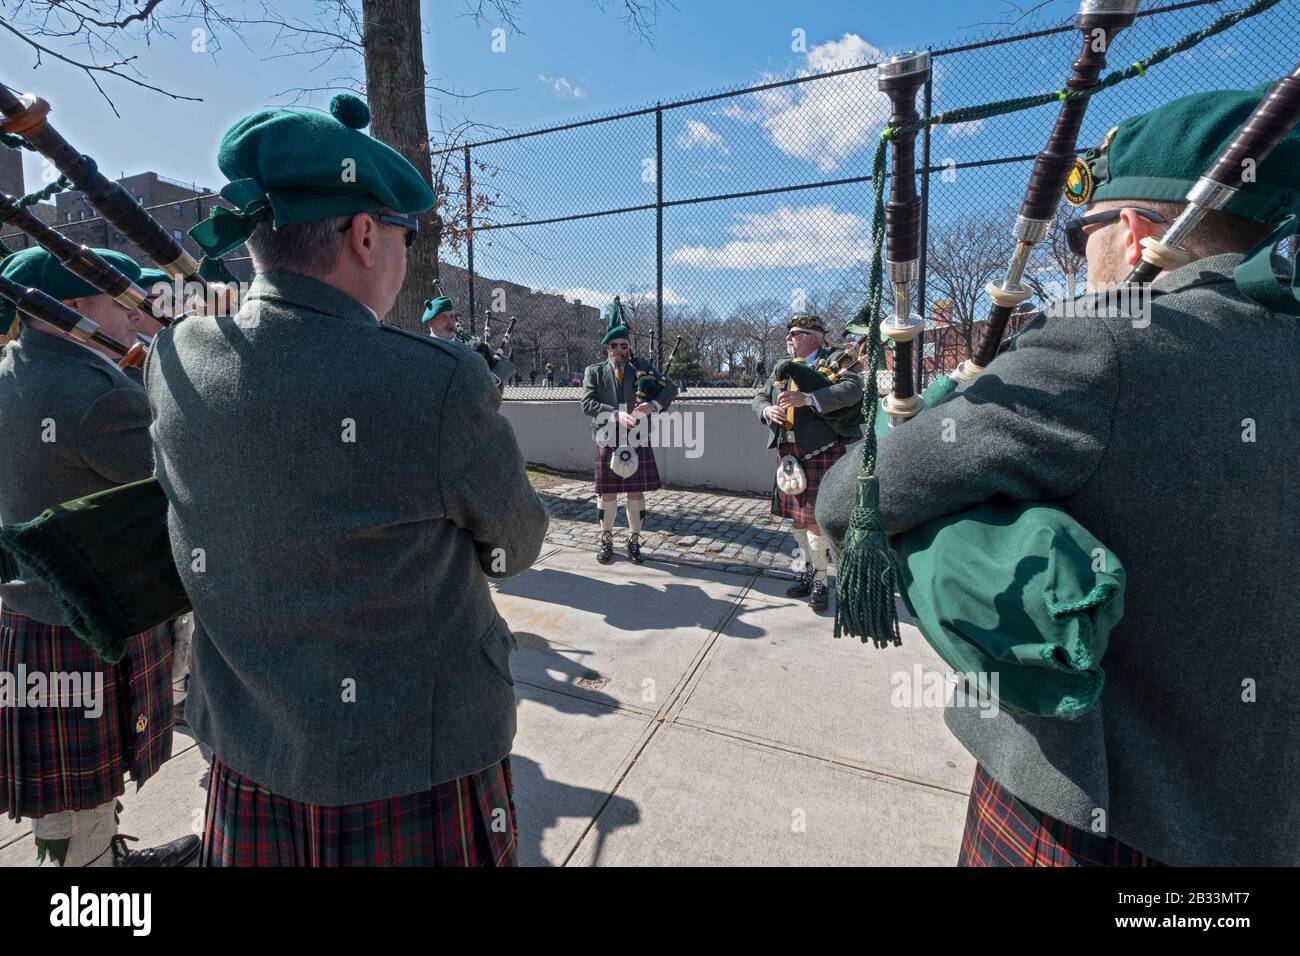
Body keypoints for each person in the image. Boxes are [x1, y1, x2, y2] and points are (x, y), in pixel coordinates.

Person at [817, 85, 1300, 866]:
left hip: (1085, 818)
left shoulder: (1105, 349)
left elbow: (852, 499)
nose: (1083, 259)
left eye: (1086, 238)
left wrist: (940, 407)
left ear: (1135, 232)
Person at [154, 93, 550, 866]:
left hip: (248, 755)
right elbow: (518, 544)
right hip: (415, 765)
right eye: (404, 234)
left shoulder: (176, 362)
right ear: (366, 234)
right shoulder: (436, 383)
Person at [0, 247, 198, 867]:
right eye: (118, 299)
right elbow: (186, 482)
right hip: (85, 616)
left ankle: (92, 866)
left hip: (35, 607)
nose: (133, 312)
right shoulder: (92, 393)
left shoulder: (15, 367)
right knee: (80, 785)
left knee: (73, 781)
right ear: (75, 305)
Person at [752, 314, 862, 611]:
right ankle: (806, 572)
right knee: (798, 521)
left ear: (816, 336)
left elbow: (853, 391)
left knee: (815, 522)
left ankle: (821, 583)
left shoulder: (837, 359)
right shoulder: (782, 367)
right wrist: (768, 412)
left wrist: (809, 399)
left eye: (797, 333)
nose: (790, 338)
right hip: (788, 453)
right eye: (789, 333)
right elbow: (759, 397)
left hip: (821, 450)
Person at [580, 299, 676, 565]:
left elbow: (670, 389)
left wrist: (652, 405)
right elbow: (587, 404)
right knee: (607, 494)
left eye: (624, 346)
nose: (620, 351)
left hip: (636, 438)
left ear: (629, 347)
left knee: (636, 494)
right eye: (614, 346)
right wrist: (614, 414)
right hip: (608, 438)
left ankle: (634, 541)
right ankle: (607, 538)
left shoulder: (641, 366)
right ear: (606, 348)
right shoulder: (594, 372)